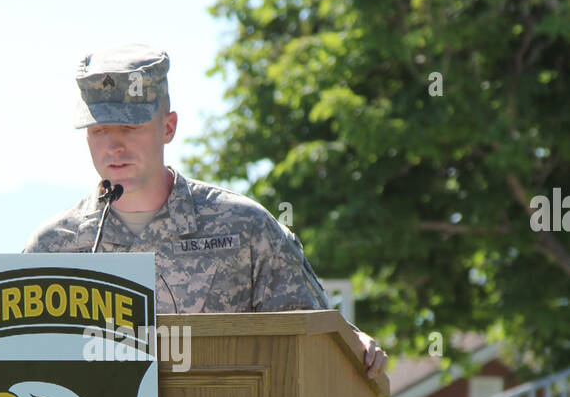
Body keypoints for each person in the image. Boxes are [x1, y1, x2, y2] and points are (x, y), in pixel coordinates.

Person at [23, 44, 388, 378]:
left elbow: (315, 339)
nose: (113, 146)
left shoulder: (244, 228)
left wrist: (356, 345)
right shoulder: (53, 248)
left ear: (168, 127)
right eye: (99, 129)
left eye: (130, 127)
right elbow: (21, 364)